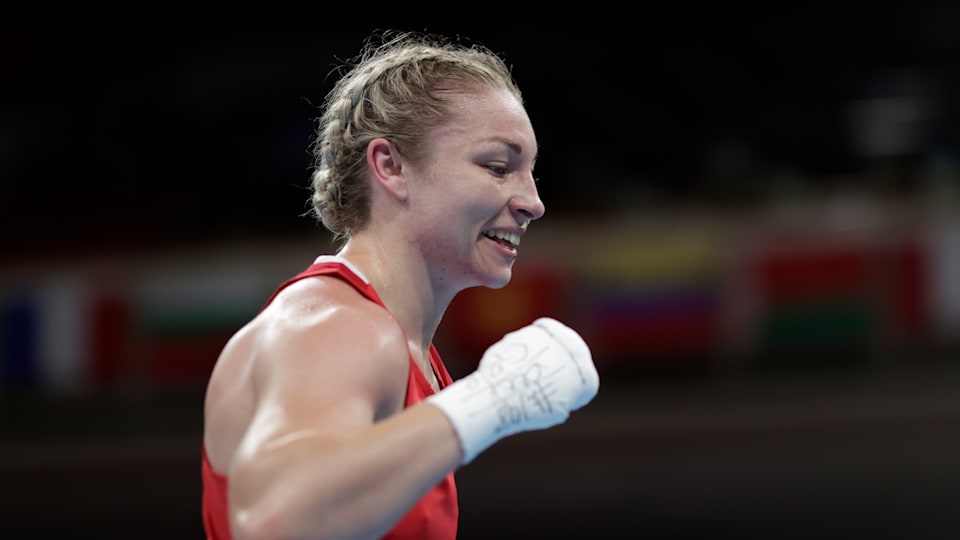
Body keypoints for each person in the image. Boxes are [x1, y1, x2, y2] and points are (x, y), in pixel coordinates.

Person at [200, 29, 600, 540]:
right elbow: (276, 521)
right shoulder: (337, 325)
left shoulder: (403, 348)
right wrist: (495, 398)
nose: (532, 202)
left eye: (531, 173)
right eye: (498, 167)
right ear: (390, 166)